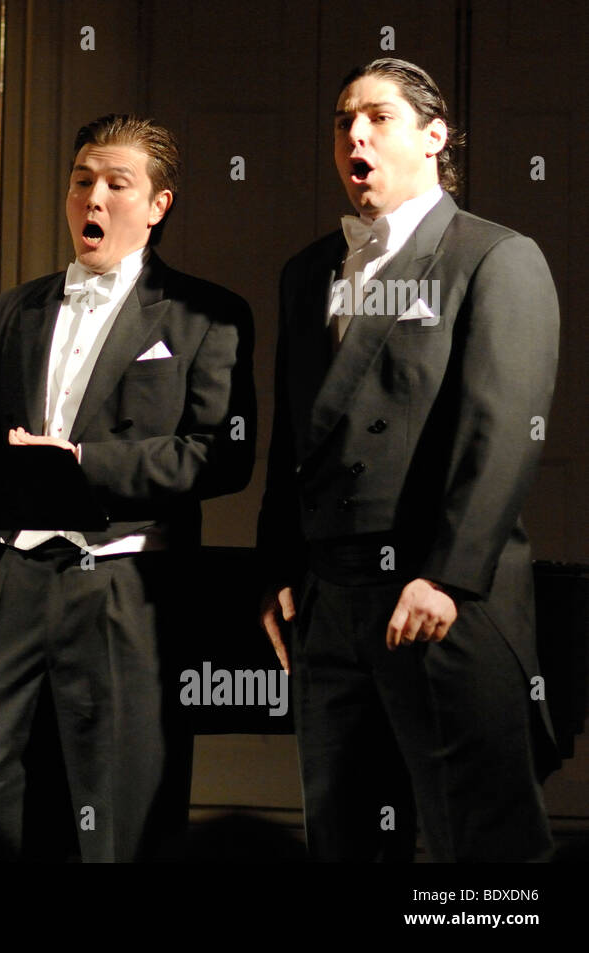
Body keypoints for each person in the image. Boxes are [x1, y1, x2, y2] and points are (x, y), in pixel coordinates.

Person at [257, 58, 560, 861]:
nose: (354, 132)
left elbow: (503, 430)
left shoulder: (497, 257)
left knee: (481, 851)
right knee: (343, 838)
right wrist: (279, 565)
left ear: (435, 137)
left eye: (378, 117)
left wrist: (448, 575)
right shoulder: (305, 273)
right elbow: (294, 437)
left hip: (443, 595)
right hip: (331, 603)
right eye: (342, 120)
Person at [0, 114, 256, 862]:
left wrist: (79, 461)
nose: (94, 197)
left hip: (127, 584)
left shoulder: (204, 315)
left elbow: (220, 455)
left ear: (157, 204)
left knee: (118, 820)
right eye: (82, 181)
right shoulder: (17, 309)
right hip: (21, 578)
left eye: (116, 184)